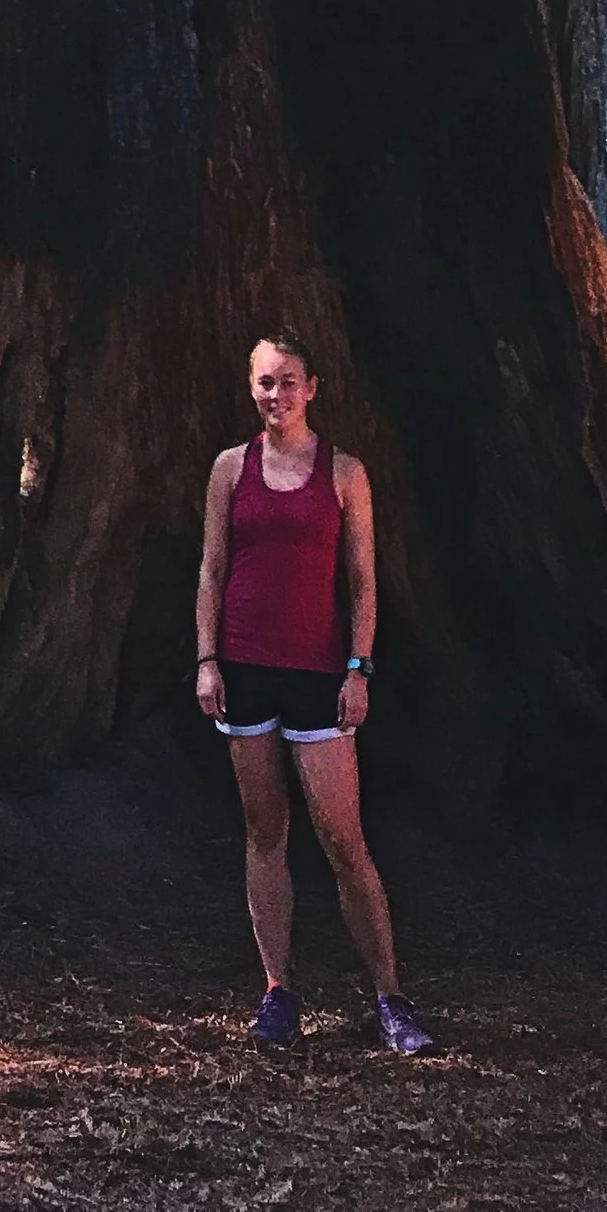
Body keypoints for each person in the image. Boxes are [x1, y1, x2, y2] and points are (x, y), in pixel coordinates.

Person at [195, 330, 434, 1055]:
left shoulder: (345, 472)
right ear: (251, 387)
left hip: (318, 673)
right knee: (265, 832)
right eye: (266, 381)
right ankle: (278, 993)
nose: (277, 394)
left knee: (343, 837)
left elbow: (363, 579)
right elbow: (211, 568)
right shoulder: (230, 469)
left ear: (313, 387)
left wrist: (358, 669)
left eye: (289, 380)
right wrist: (207, 660)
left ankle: (390, 996)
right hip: (244, 668)